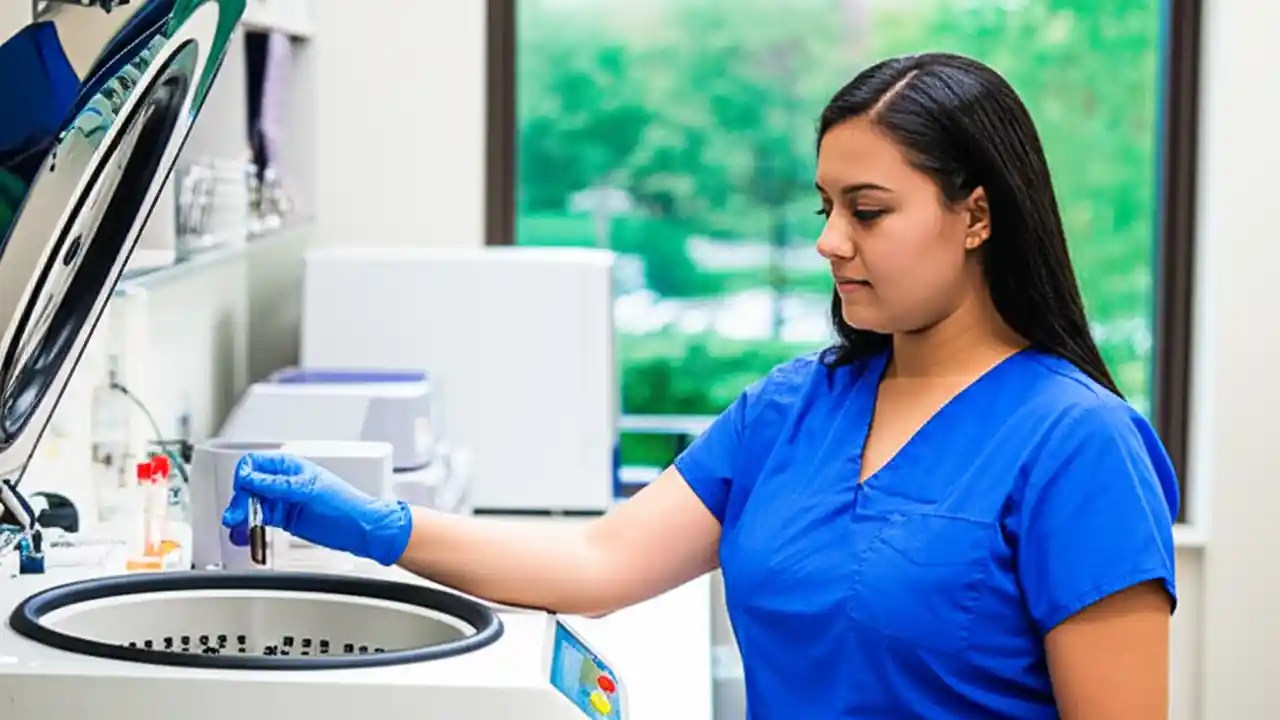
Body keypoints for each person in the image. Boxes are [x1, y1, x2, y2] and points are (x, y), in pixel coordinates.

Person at [222, 52, 1177, 719]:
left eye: (869, 211)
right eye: (825, 205)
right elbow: (593, 569)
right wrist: (374, 525)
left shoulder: (1079, 445)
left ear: (976, 216)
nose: (828, 240)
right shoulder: (792, 411)